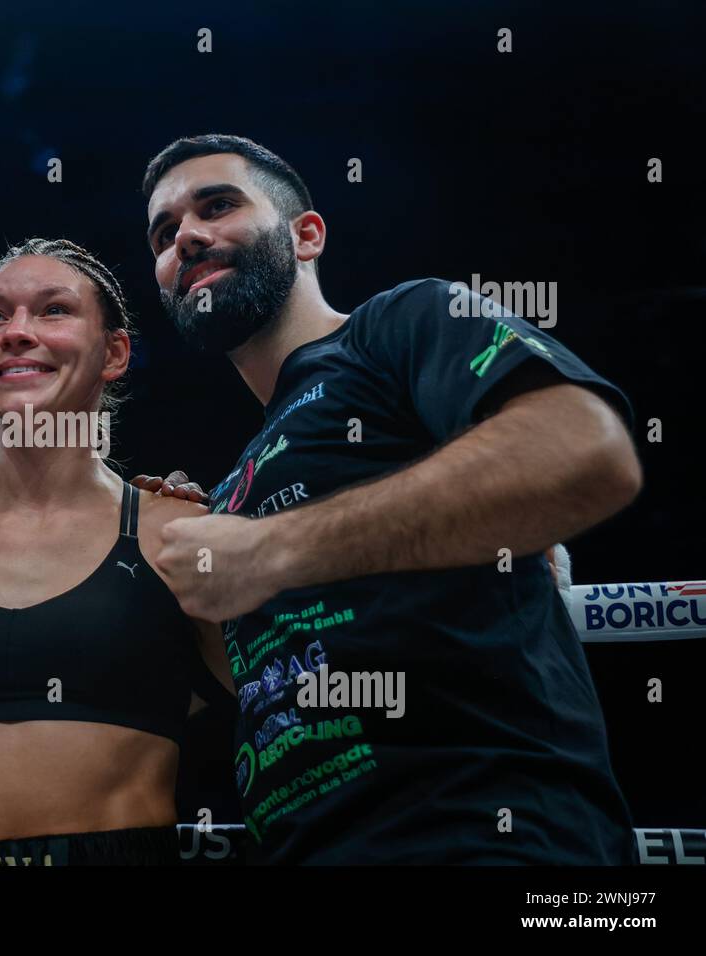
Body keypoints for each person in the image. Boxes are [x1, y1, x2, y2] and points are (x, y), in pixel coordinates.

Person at [138, 133, 640, 863]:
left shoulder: (403, 322)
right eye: (164, 232)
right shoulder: (238, 481)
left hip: (488, 839)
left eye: (217, 205)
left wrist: (272, 546)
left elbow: (587, 448)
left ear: (306, 235)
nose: (187, 235)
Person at [0, 239, 234, 866]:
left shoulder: (176, 532)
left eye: (53, 310)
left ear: (115, 353)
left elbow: (282, 708)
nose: (16, 332)